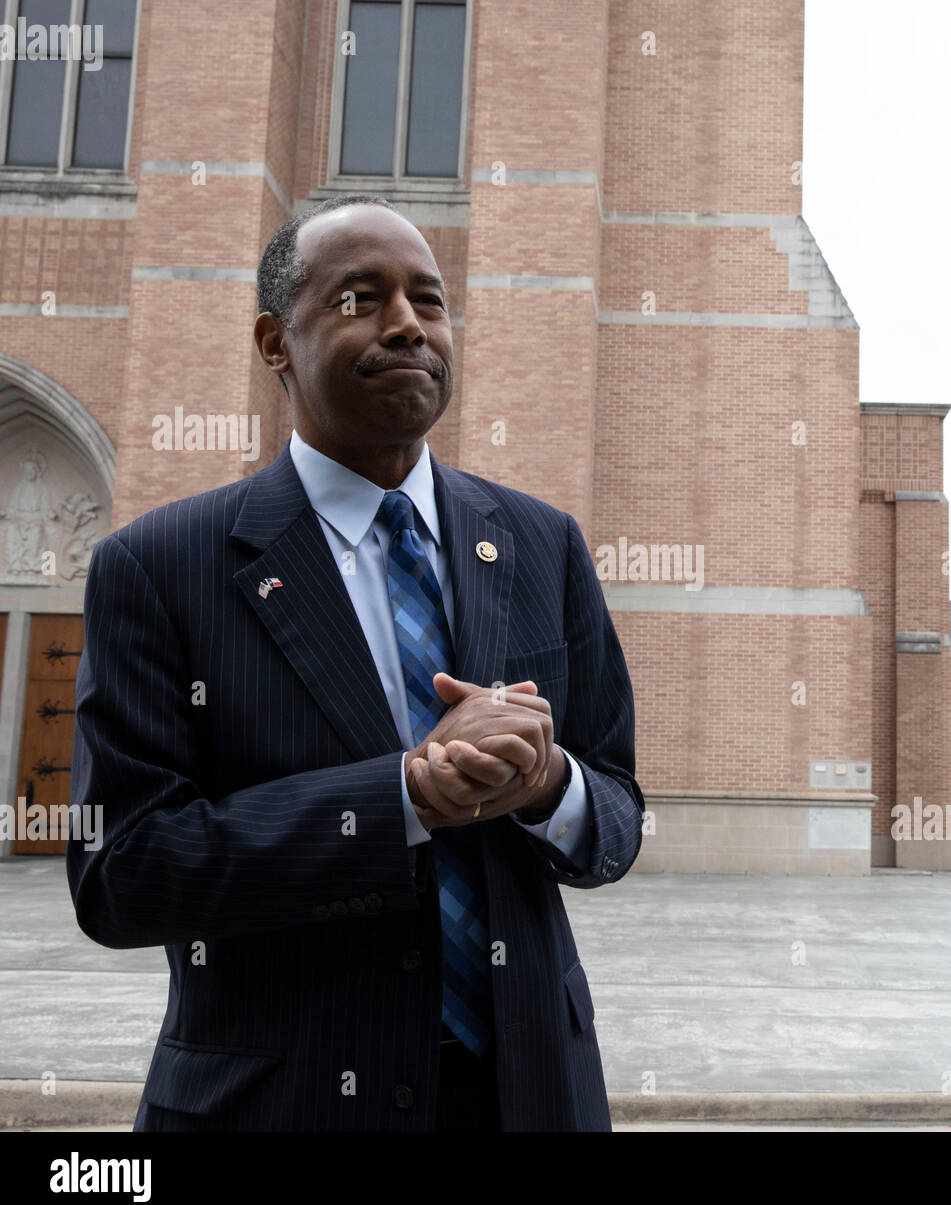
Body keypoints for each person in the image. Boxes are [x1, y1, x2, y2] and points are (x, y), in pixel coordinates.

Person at [66, 194, 643, 1131]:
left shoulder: (543, 543)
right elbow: (121, 875)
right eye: (361, 298)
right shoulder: (162, 567)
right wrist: (402, 798)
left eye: (430, 299)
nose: (409, 325)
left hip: (531, 1097)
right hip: (279, 1104)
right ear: (274, 342)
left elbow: (617, 806)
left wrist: (550, 784)